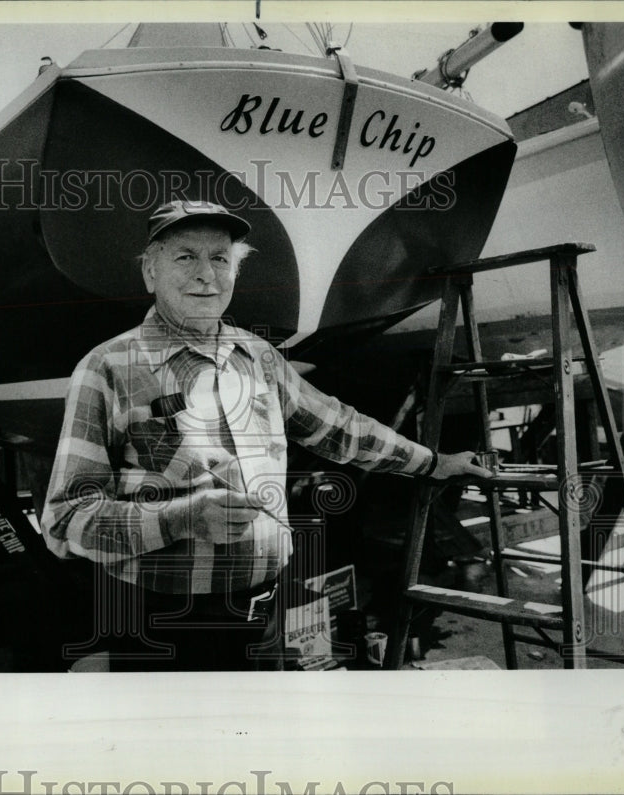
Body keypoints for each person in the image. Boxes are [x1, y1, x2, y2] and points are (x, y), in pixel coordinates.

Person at [41, 199, 492, 671]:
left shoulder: (258, 357)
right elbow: (65, 518)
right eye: (185, 257)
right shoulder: (106, 368)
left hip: (264, 609)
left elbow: (339, 428)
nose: (206, 275)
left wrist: (432, 461)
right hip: (162, 621)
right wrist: (179, 519)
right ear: (150, 273)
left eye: (220, 259)